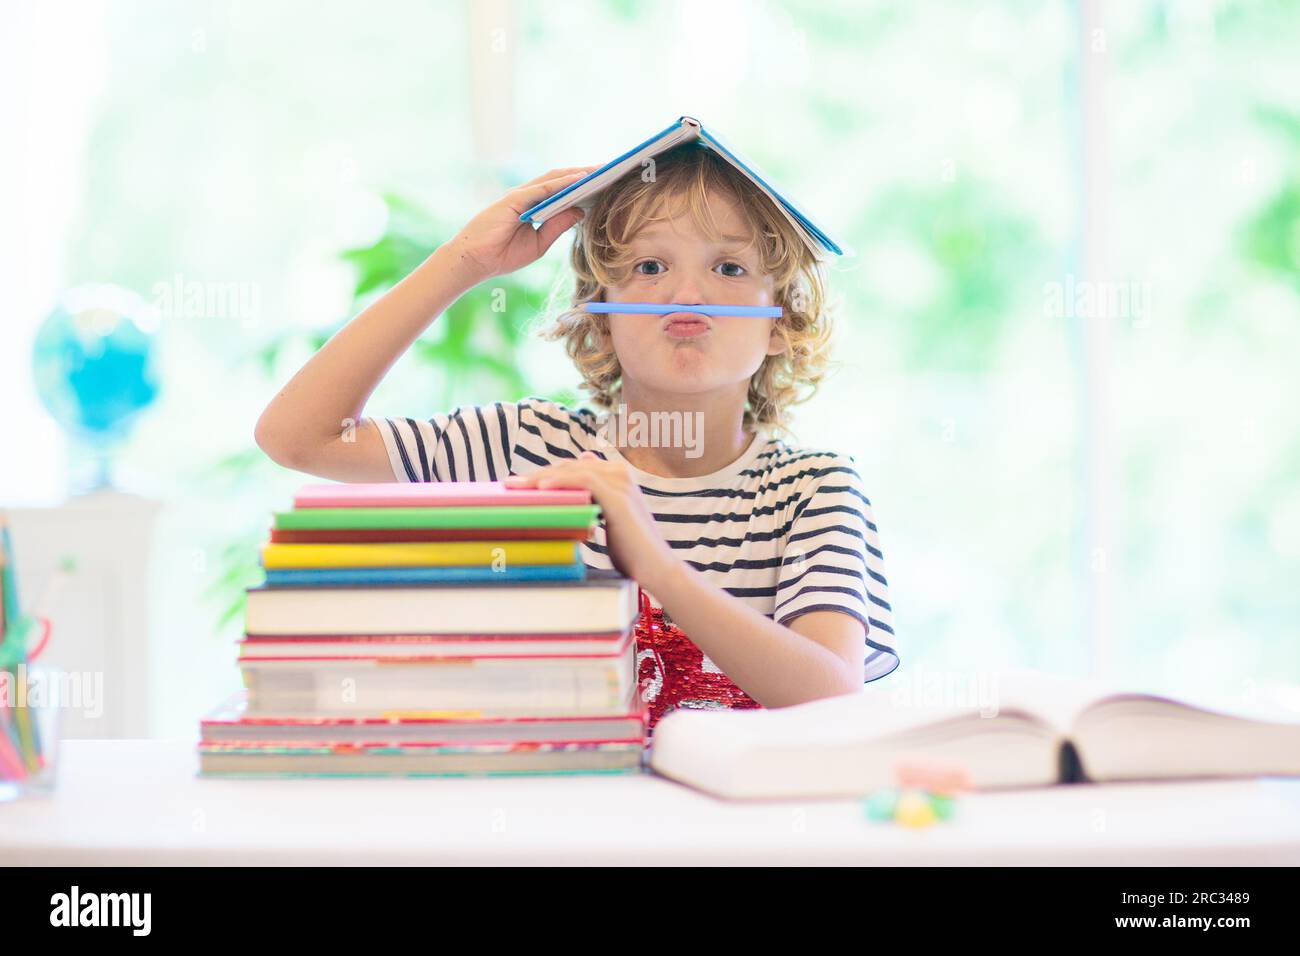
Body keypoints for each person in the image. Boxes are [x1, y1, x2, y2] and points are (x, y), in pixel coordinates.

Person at [254, 141, 897, 733]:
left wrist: (656, 566)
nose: (688, 292)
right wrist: (464, 263)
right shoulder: (529, 448)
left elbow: (833, 698)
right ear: (599, 316)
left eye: (729, 266)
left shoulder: (814, 488)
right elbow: (297, 437)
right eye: (649, 265)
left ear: (781, 321)